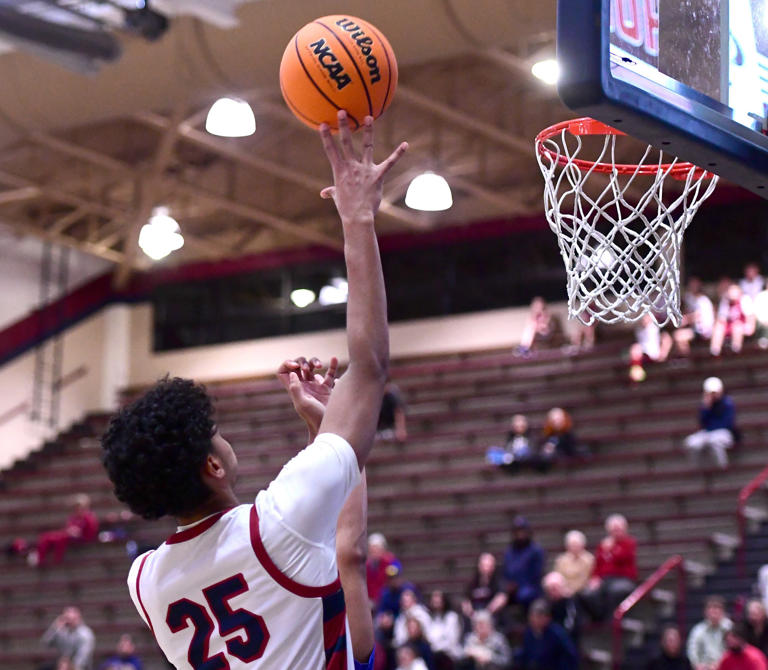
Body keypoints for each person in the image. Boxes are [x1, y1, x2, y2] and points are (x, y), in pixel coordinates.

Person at [100, 110, 408, 669]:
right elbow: (369, 369)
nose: (223, 439)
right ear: (212, 468)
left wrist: (325, 428)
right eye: (215, 435)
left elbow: (344, 556)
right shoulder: (276, 524)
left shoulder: (144, 582)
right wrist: (358, 216)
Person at [580, 514, 637, 621]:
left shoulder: (629, 543)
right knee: (587, 594)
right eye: (613, 530)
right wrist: (595, 578)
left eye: (618, 529)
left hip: (622, 578)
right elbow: (598, 565)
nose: (616, 533)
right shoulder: (603, 545)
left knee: (615, 591)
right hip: (604, 579)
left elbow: (623, 559)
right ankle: (598, 619)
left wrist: (611, 550)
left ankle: (612, 621)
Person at [29, 493, 99, 567]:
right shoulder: (74, 517)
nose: (77, 508)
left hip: (82, 538)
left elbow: (89, 531)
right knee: (46, 537)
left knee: (59, 538)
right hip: (71, 536)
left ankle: (54, 558)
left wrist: (76, 532)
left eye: (78, 506)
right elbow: (69, 528)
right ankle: (40, 557)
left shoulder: (89, 517)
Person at [683, 377, 738, 469]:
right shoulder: (706, 405)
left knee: (715, 442)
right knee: (691, 443)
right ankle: (696, 469)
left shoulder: (727, 403)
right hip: (708, 432)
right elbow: (702, 422)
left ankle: (722, 467)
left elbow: (728, 423)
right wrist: (706, 407)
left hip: (723, 432)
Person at [515, 599, 579, 670]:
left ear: (547, 618)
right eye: (532, 616)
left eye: (538, 616)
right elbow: (526, 655)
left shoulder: (557, 634)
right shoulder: (529, 633)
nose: (534, 619)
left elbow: (569, 657)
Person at [502, 516, 545, 613]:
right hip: (512, 588)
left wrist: (519, 584)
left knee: (524, 596)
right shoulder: (510, 551)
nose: (520, 534)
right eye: (517, 531)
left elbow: (537, 574)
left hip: (530, 587)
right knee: (499, 597)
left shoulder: (535, 550)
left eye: (522, 531)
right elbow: (506, 571)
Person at [687, 596, 732, 670]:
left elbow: (733, 650)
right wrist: (697, 664)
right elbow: (692, 651)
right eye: (711, 608)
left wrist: (720, 664)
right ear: (705, 612)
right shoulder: (697, 630)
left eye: (717, 608)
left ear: (723, 611)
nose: (714, 611)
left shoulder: (730, 627)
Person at [711, 283, 756, 356]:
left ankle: (736, 349)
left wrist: (750, 326)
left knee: (737, 326)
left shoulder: (745, 299)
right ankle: (715, 350)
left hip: (741, 325)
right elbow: (722, 317)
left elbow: (750, 316)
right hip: (729, 325)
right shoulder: (725, 301)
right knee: (718, 327)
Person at [674, 278, 715, 356]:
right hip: (697, 329)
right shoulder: (692, 298)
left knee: (678, 336)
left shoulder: (703, 300)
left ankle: (687, 359)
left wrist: (684, 320)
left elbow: (696, 316)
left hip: (704, 331)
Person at [542, 571, 581, 649]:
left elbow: (571, 625)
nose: (552, 592)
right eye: (549, 589)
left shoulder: (570, 602)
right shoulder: (547, 603)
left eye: (554, 589)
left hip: (567, 640)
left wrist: (559, 636)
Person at [463, 552, 508, 620]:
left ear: (493, 566)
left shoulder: (498, 581)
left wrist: (487, 613)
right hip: (474, 616)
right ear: (479, 566)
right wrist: (471, 613)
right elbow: (466, 600)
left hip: (491, 615)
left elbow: (502, 598)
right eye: (484, 565)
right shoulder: (472, 582)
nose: (486, 569)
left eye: (489, 566)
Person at [629, 314, 672, 382]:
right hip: (643, 353)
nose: (644, 320)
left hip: (653, 354)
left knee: (636, 349)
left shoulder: (656, 327)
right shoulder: (638, 329)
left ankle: (637, 374)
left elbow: (666, 338)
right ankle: (636, 373)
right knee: (635, 349)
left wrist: (664, 352)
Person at [426, 590, 462, 669]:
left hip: (450, 654)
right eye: (434, 601)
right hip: (433, 653)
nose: (436, 603)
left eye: (438, 600)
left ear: (444, 601)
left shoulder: (452, 617)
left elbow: (451, 641)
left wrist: (436, 647)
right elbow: (428, 638)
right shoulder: (430, 618)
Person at [554, 529, 595, 595]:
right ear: (567, 546)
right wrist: (564, 588)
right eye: (572, 545)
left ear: (582, 545)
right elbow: (558, 576)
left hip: (584, 590)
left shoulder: (589, 559)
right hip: (565, 590)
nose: (574, 548)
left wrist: (576, 589)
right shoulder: (561, 560)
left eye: (576, 545)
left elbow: (589, 578)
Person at [367, 532, 398, 605]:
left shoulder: (390, 561)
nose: (374, 552)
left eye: (377, 549)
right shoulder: (366, 565)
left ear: (383, 549)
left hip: (387, 599)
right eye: (372, 550)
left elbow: (395, 579)